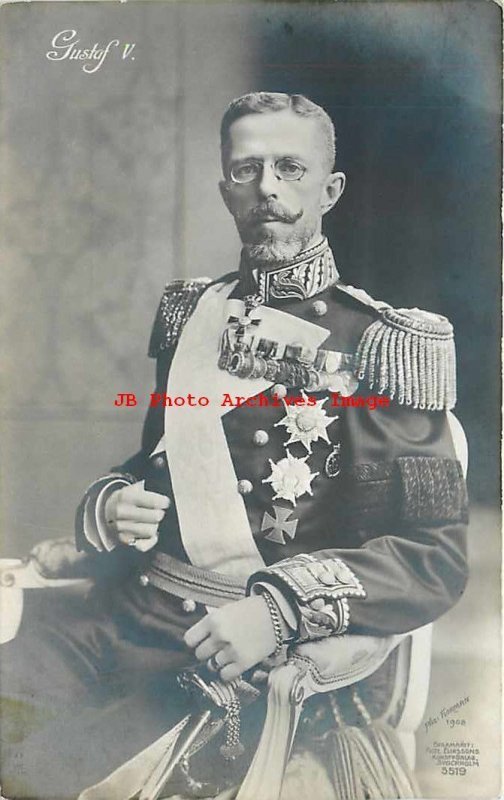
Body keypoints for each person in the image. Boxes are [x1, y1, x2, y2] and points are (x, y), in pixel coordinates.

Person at [0, 92, 469, 800]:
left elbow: (432, 554)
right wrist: (115, 504)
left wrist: (276, 610)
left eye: (290, 168)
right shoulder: (192, 314)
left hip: (233, 659)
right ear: (226, 189)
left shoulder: (381, 347)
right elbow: (153, 465)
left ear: (330, 188)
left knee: (48, 773)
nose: (268, 189)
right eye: (247, 170)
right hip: (125, 613)